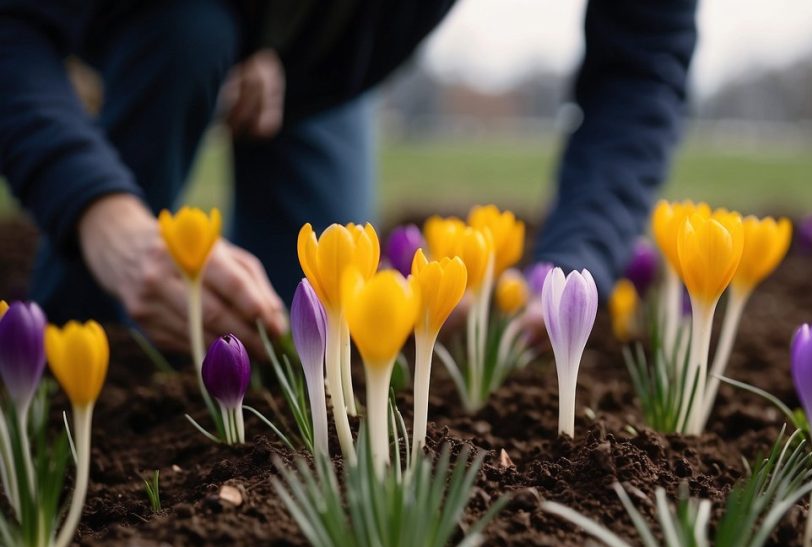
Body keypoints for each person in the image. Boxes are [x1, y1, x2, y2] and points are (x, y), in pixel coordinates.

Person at [0, 0, 697, 354]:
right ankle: (54, 383)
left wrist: (572, 268)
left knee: (305, 329)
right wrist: (105, 217)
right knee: (188, 38)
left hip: (327, 66)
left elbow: (639, 68)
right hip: (158, 19)